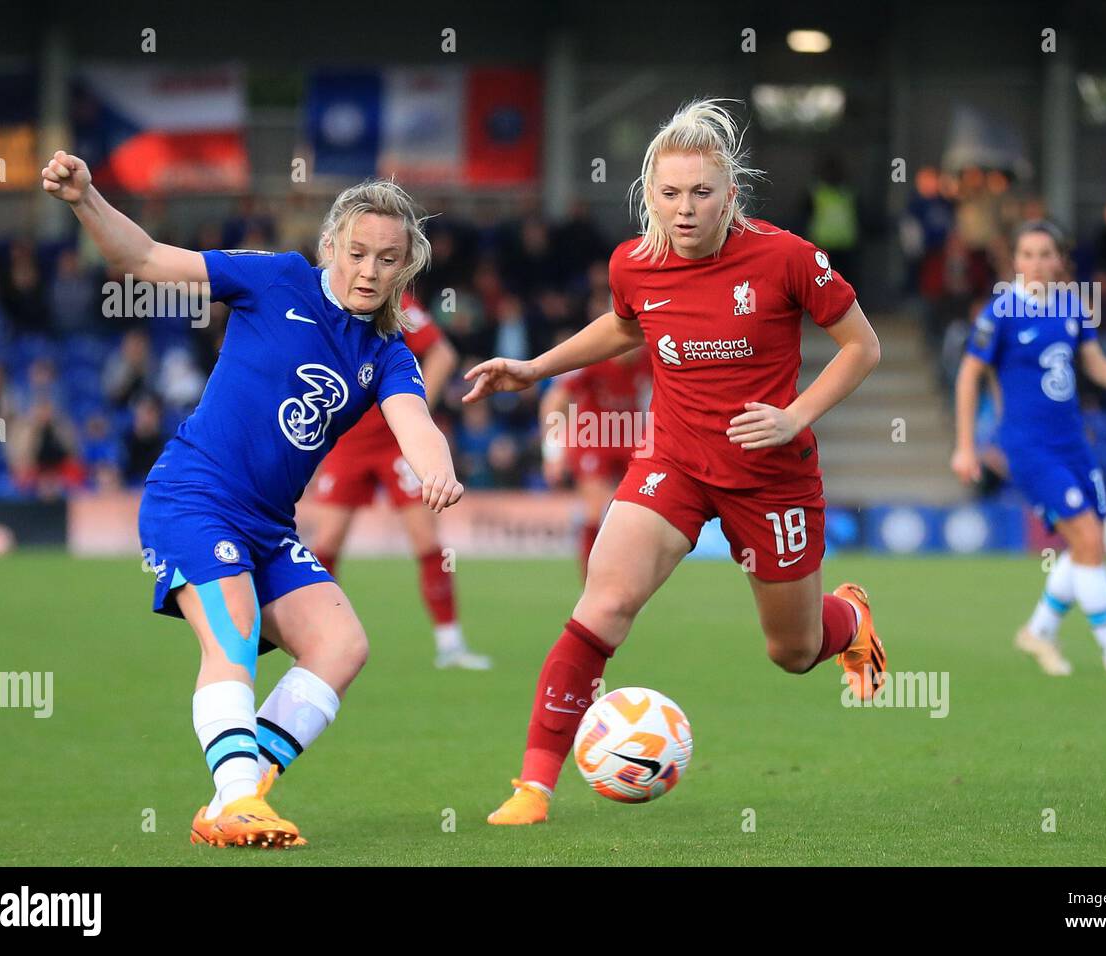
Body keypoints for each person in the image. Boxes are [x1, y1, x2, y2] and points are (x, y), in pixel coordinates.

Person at [463, 99, 884, 825]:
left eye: (700, 194)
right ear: (649, 194)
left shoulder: (787, 258)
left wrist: (794, 416)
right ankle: (532, 786)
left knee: (792, 650)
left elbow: (863, 347)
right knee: (602, 606)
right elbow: (624, 327)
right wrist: (537, 368)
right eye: (668, 194)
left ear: (732, 195)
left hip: (771, 474)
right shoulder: (635, 261)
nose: (683, 210)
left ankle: (850, 622)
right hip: (675, 463)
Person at [41, 149, 462, 848]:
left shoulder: (388, 351)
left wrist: (436, 470)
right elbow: (145, 258)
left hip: (268, 524)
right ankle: (237, 798)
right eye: (357, 253)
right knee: (233, 627)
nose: (369, 271)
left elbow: (415, 422)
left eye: (388, 261)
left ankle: (238, 796)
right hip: (193, 496)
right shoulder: (274, 278)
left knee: (341, 644)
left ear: (406, 268)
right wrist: (86, 198)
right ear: (330, 245)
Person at [951, 220, 1106, 679]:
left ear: (1059, 260)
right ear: (1016, 261)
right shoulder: (1001, 311)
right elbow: (970, 374)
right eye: (1026, 254)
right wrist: (966, 446)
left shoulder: (1073, 305)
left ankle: (1038, 630)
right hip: (1028, 446)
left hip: (1073, 442)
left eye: (1044, 253)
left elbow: (1094, 364)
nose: (1035, 262)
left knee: (1089, 543)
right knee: (1089, 539)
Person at [311, 291, 491, 670]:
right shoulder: (319, 297)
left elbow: (442, 354)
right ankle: (317, 636)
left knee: (427, 542)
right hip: (346, 441)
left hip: (398, 442)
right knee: (325, 545)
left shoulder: (398, 302)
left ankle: (451, 644)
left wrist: (413, 406)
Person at [539, 346, 652, 579]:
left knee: (638, 514)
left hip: (632, 437)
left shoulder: (650, 357)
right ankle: (591, 583)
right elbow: (554, 401)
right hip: (594, 439)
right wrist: (552, 452)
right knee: (594, 510)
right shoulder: (594, 356)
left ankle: (628, 580)